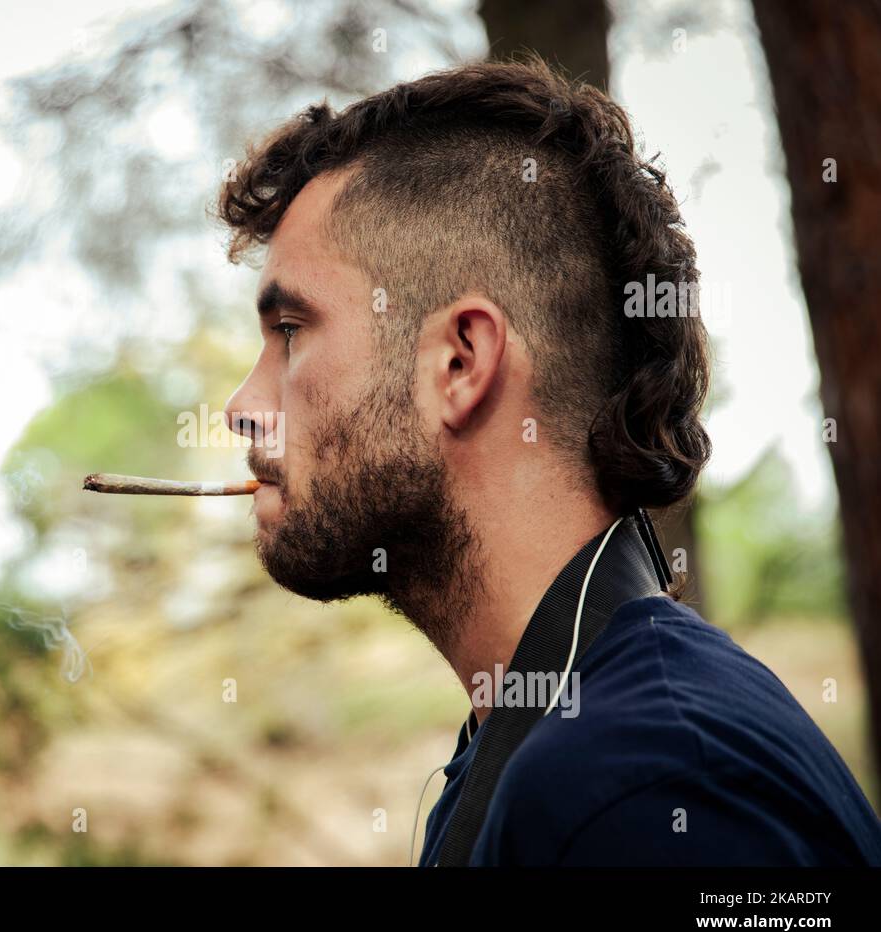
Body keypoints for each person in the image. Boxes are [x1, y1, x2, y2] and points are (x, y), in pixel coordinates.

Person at [214, 57, 881, 866]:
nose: (242, 407)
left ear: (461, 363)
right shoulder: (550, 746)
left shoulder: (648, 784)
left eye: (290, 331)